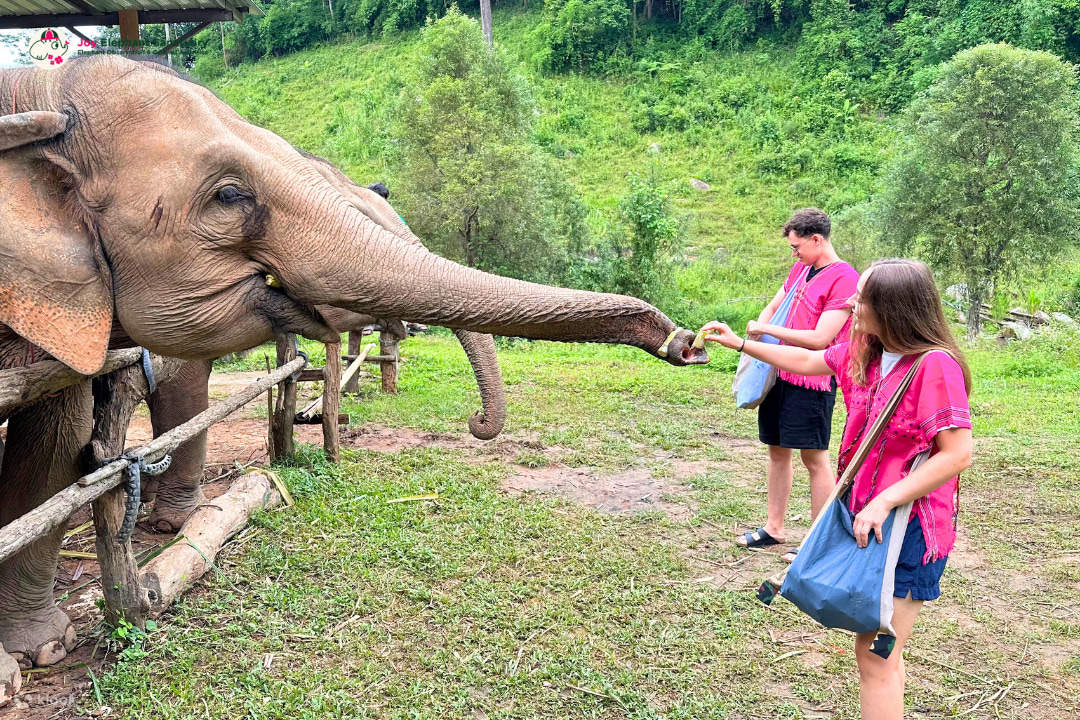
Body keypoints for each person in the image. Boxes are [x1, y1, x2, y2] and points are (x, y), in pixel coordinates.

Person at [702, 258, 973, 720]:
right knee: (879, 656)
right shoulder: (867, 347)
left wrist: (887, 500)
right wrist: (743, 343)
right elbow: (810, 360)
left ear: (896, 308)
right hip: (865, 517)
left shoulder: (934, 367)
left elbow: (957, 453)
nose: (851, 303)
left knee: (875, 657)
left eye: (862, 298)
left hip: (908, 529)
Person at [738, 208, 859, 562]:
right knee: (777, 450)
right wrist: (762, 330)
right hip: (779, 372)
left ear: (816, 240)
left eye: (797, 246)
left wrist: (767, 331)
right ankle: (774, 528)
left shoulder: (845, 279)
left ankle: (815, 542)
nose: (794, 253)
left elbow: (821, 338)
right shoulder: (802, 268)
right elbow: (775, 305)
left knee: (814, 458)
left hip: (812, 379)